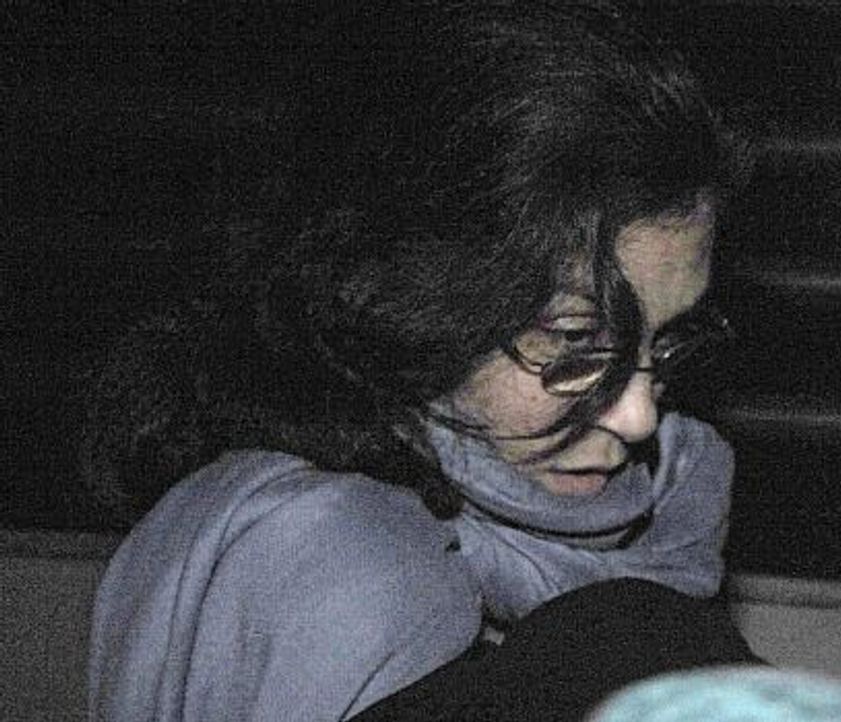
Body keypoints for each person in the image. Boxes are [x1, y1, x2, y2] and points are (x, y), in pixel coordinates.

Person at [81, 3, 757, 720]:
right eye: (573, 341)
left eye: (665, 340)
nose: (640, 415)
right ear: (410, 305)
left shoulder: (653, 518)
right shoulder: (345, 568)